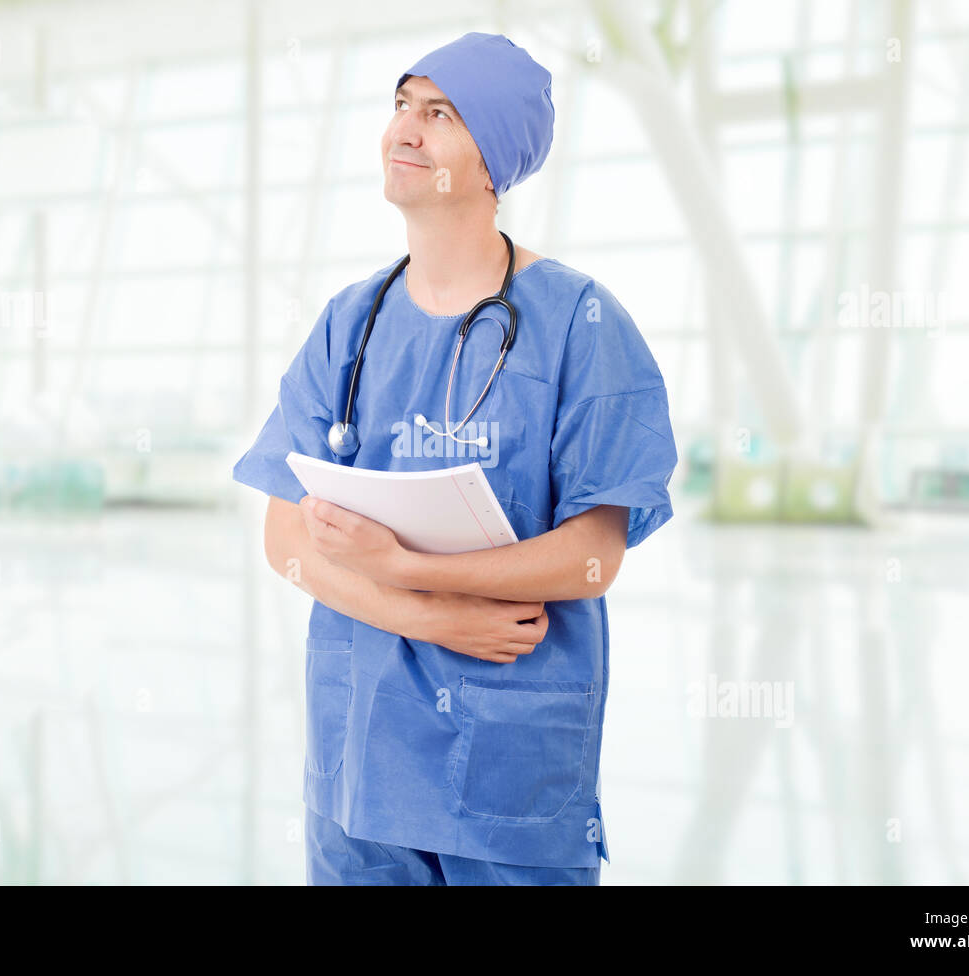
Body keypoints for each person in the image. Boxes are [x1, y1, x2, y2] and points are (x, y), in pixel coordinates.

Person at [232, 31, 678, 885]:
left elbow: (594, 556)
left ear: (491, 164)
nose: (405, 128)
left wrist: (397, 564)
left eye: (438, 113)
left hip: (508, 783)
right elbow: (283, 538)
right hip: (360, 779)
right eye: (402, 104)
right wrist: (425, 610)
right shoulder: (350, 323)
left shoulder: (580, 323)